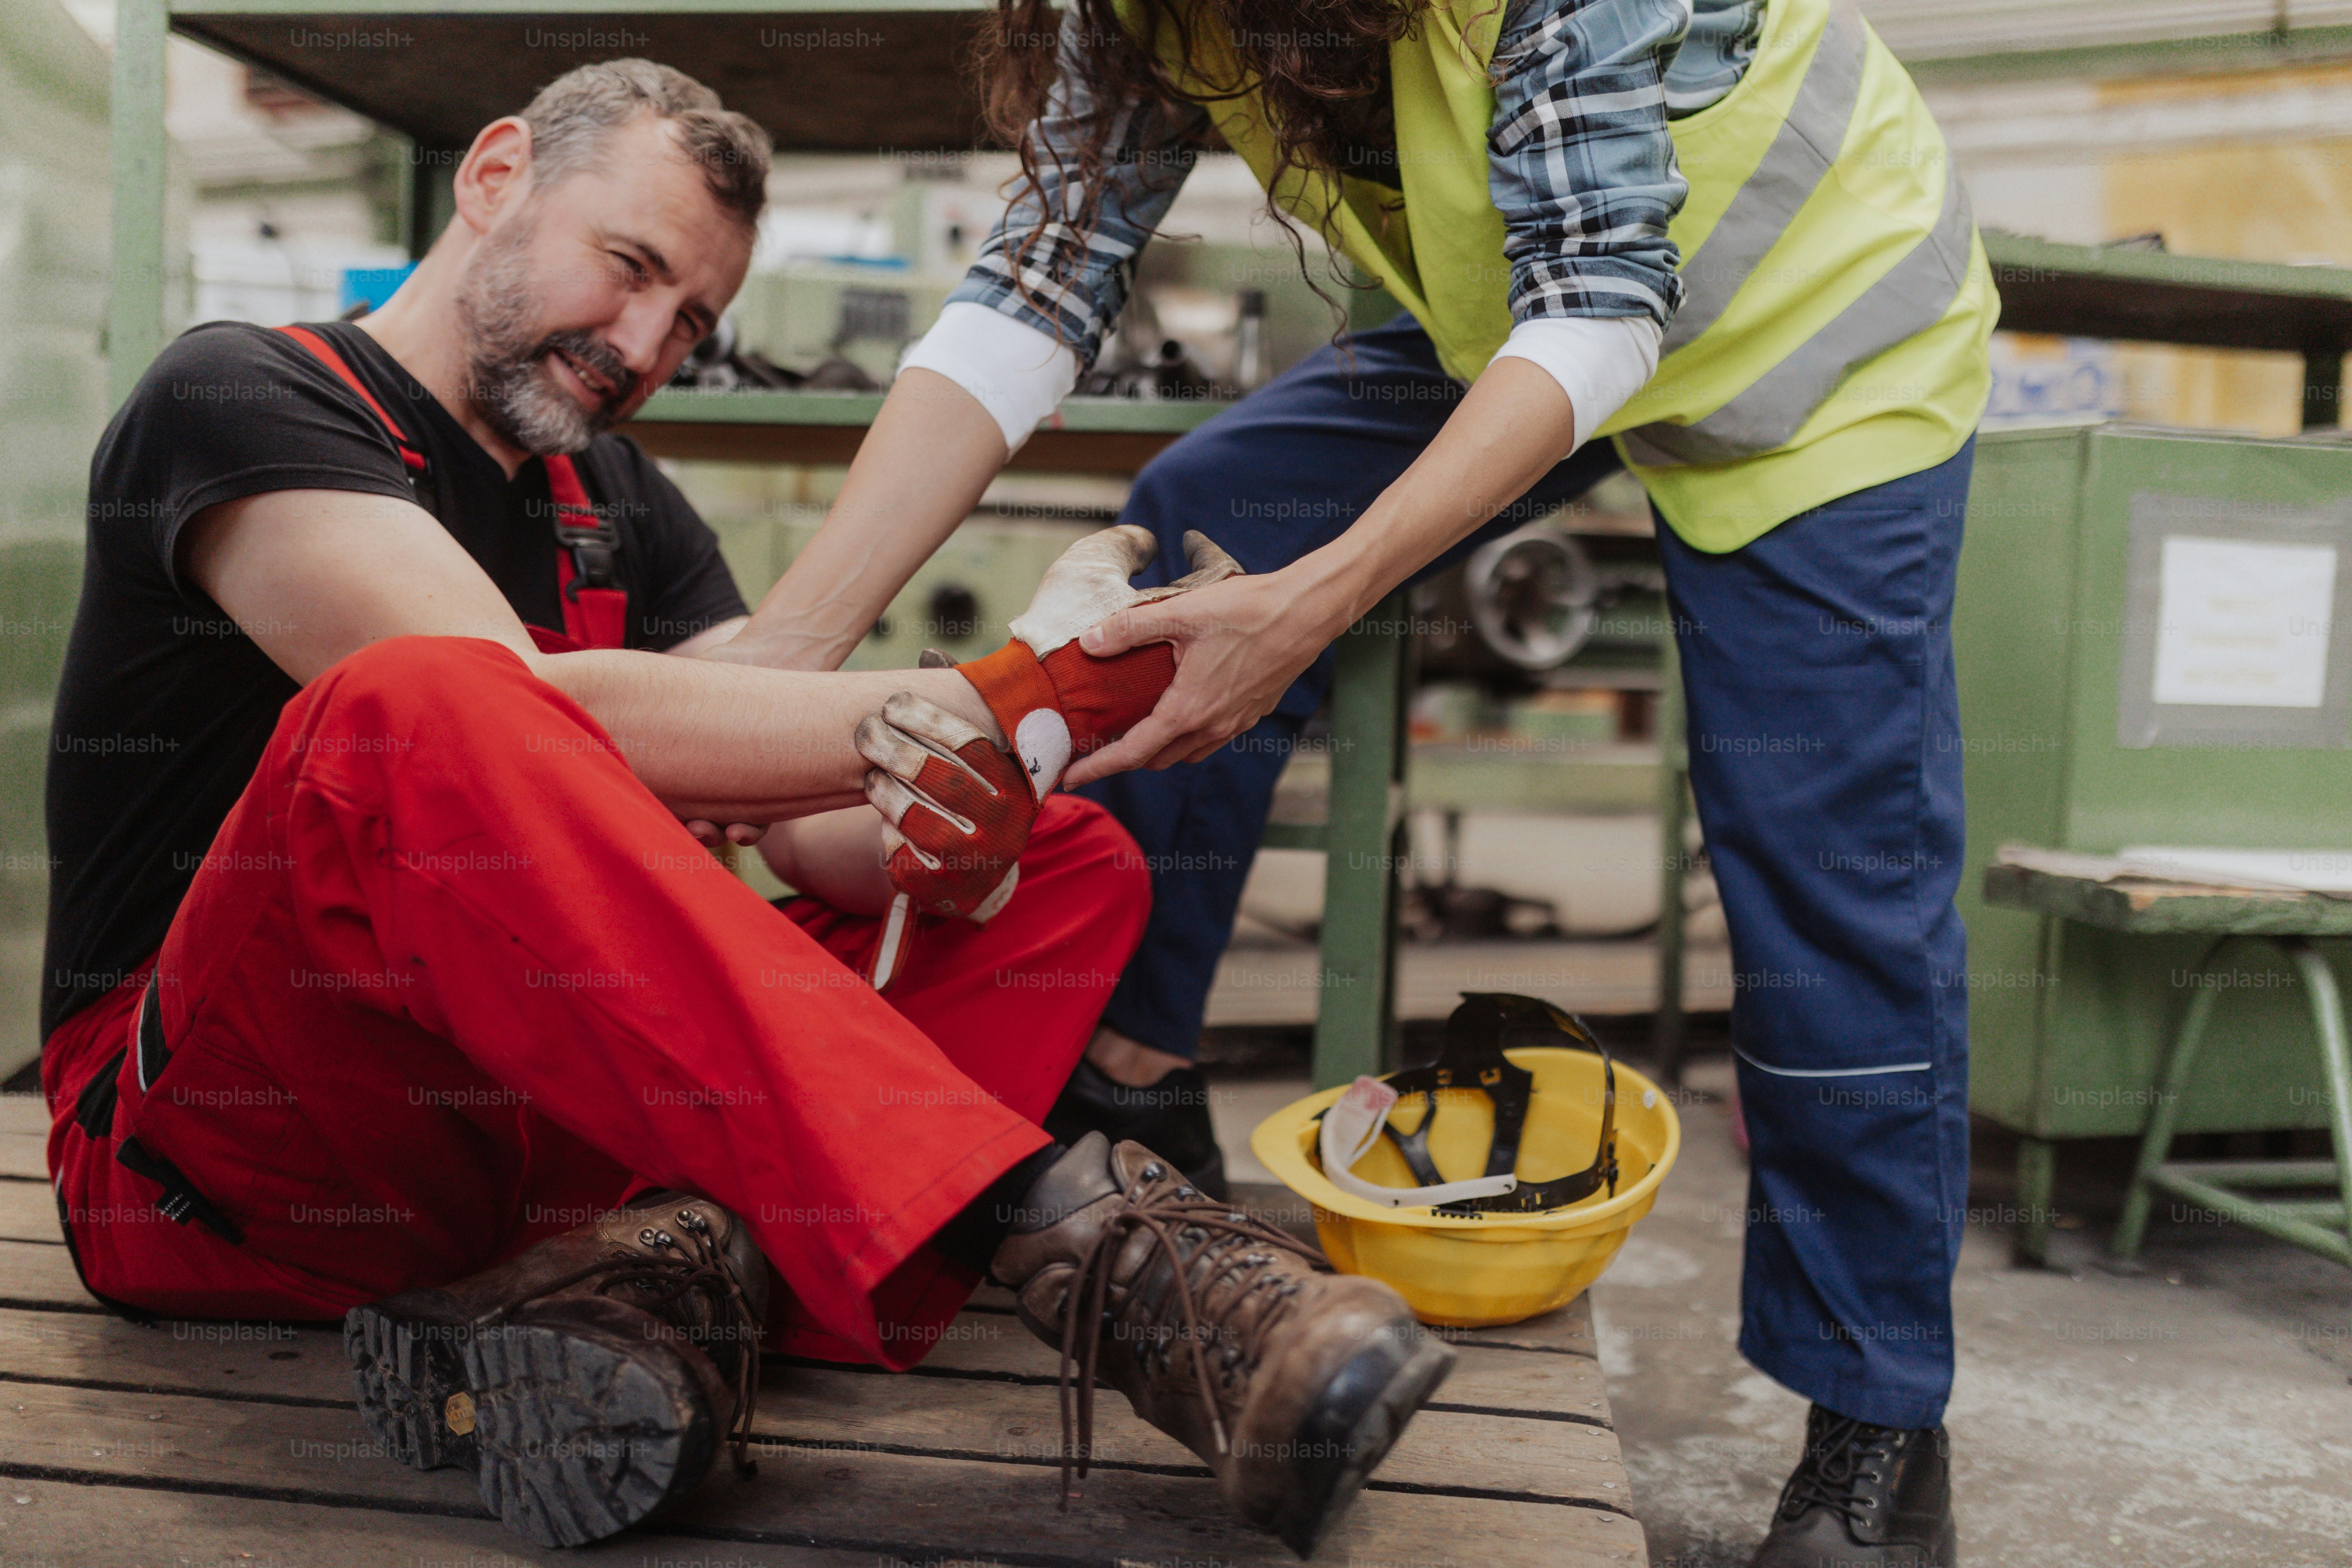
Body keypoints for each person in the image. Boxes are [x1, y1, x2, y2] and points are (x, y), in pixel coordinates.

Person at [40, 60, 1452, 1553]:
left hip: (538, 1125)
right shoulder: (240, 398)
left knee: (1070, 863)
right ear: (497, 175)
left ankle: (655, 1273)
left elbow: (800, 814)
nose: (641, 344)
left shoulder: (618, 504)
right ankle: (1062, 1234)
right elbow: (520, 708)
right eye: (630, 267)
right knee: (421, 707)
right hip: (228, 1151)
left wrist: (969, 801)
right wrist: (1025, 696)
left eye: (695, 320)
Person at [718, 1, 1994, 1563]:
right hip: (1519, 306)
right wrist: (789, 650)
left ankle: (1876, 1429)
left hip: (1816, 324)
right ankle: (1136, 1082)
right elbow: (1037, 285)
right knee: (1212, 515)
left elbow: (1607, 302)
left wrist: (1315, 603)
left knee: (1827, 868)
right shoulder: (1130, 7)